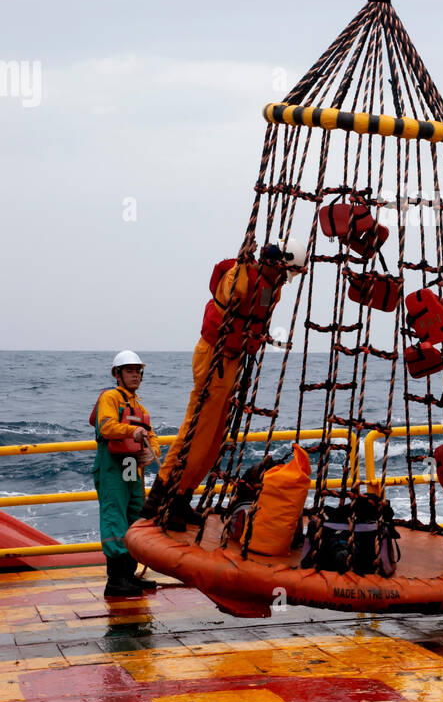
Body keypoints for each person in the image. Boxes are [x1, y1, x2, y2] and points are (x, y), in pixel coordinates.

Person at [144, 243, 301, 528]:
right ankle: (160, 500)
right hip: (213, 356)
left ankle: (181, 499)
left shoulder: (272, 286)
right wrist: (242, 262)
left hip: (234, 359)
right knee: (197, 430)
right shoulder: (239, 274)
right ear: (273, 264)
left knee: (215, 437)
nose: (284, 280)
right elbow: (231, 294)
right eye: (284, 272)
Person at [90, 351, 161, 598]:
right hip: (112, 469)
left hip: (133, 470)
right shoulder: (110, 398)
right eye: (130, 370)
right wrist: (133, 431)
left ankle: (130, 575)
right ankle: (116, 579)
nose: (135, 375)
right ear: (117, 374)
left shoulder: (139, 406)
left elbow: (151, 436)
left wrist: (153, 453)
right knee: (114, 517)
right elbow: (107, 426)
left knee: (135, 517)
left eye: (138, 371)